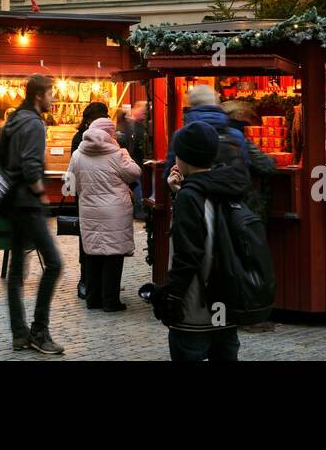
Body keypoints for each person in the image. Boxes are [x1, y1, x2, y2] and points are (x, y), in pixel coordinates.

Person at [152, 120, 251, 361]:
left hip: (196, 306)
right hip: (226, 302)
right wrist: (179, 191)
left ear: (183, 158)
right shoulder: (226, 187)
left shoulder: (190, 197)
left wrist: (172, 297)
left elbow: (188, 254)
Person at [0, 74, 64, 355]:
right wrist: (41, 194)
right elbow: (31, 165)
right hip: (27, 202)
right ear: (39, 95)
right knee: (54, 264)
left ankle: (19, 334)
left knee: (16, 272)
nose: (53, 98)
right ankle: (39, 331)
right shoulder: (35, 124)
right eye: (51, 93)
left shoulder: (12, 121)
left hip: (10, 202)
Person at [64, 115, 140, 311]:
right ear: (110, 134)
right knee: (113, 255)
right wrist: (124, 152)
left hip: (89, 209)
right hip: (115, 211)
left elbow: (69, 185)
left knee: (92, 254)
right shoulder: (117, 154)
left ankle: (93, 299)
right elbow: (135, 173)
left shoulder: (77, 154)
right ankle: (110, 301)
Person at [70, 101, 111, 299]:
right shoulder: (81, 139)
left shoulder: (108, 139)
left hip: (91, 197)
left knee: (94, 239)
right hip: (94, 197)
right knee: (92, 240)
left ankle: (92, 282)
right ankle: (88, 281)